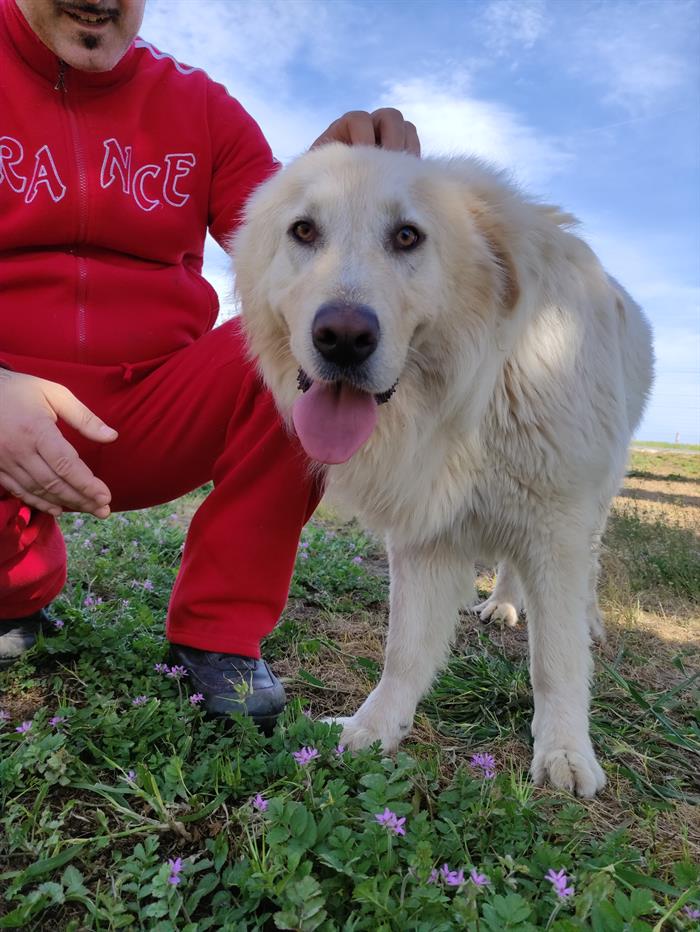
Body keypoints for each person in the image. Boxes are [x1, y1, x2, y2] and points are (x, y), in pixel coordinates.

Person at [0, 0, 420, 728]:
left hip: (156, 405)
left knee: (287, 352)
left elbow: (279, 243)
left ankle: (218, 632)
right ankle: (16, 593)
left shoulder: (199, 103)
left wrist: (339, 182)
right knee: (11, 587)